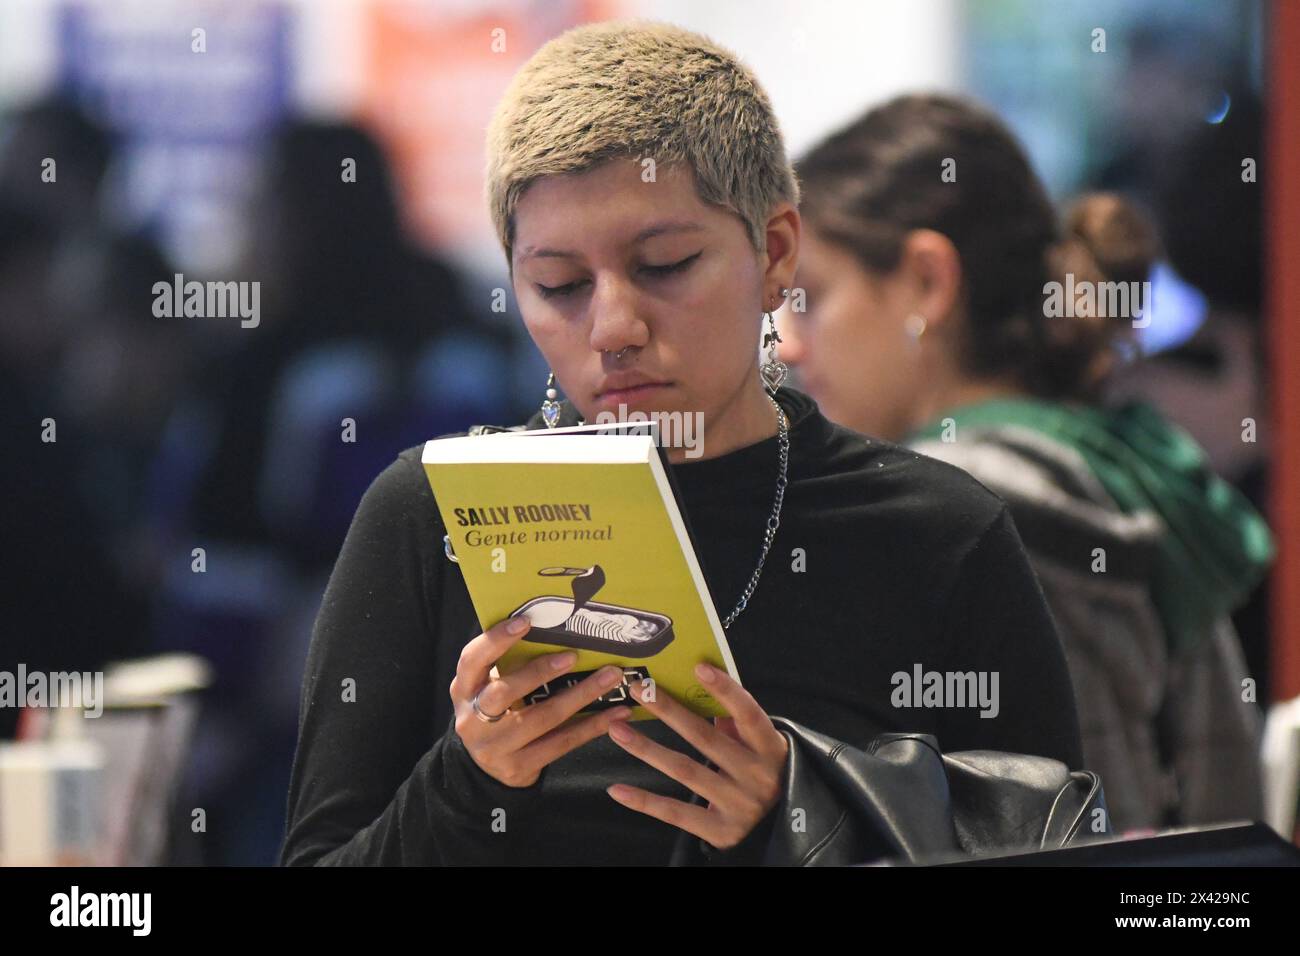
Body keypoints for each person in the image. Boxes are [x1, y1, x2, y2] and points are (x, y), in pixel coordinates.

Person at [279, 23, 1083, 867]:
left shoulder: (938, 531)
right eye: (560, 286)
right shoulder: (431, 514)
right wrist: (468, 784)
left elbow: (1065, 846)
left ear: (774, 254)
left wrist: (798, 818)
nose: (614, 327)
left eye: (665, 265)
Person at [783, 93, 1272, 831]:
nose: (789, 342)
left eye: (810, 297)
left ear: (926, 281)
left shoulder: (951, 508)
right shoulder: (1127, 457)